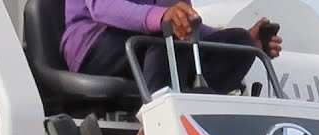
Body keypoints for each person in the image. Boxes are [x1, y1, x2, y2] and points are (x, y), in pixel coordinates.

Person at [62, 0, 283, 96]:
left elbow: (182, 22)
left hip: (152, 43)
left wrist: (245, 39)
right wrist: (163, 19)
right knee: (170, 37)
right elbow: (102, 8)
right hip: (95, 43)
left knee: (239, 42)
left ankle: (201, 117)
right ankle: (152, 129)